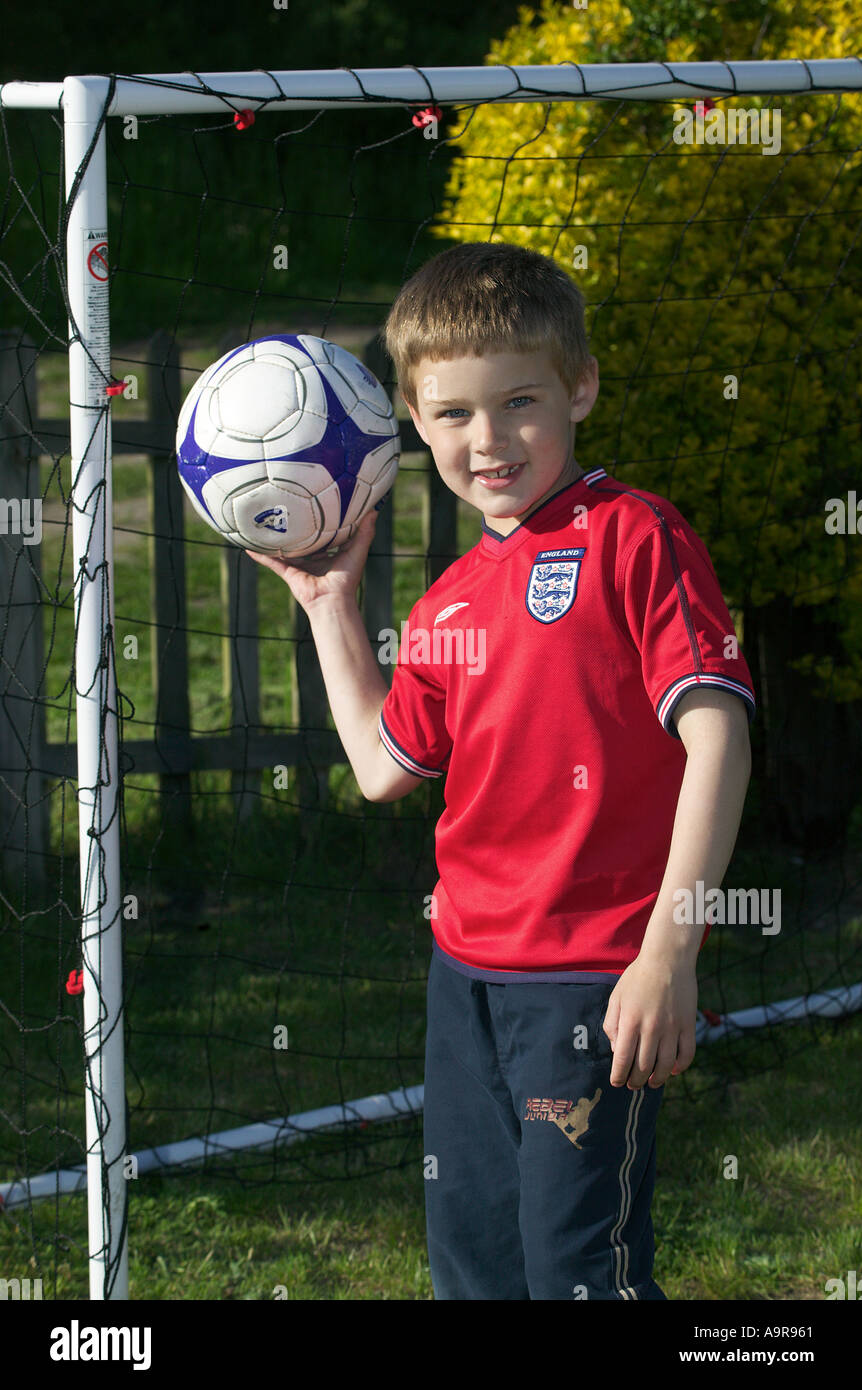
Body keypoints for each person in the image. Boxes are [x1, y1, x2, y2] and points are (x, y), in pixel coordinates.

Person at [247, 241, 755, 1300]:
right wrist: (330, 605)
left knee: (578, 1268)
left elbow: (721, 740)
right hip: (464, 979)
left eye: (519, 402)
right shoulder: (452, 600)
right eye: (453, 414)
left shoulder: (636, 539)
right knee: (476, 1264)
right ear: (415, 422)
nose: (488, 440)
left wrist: (671, 951)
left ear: (581, 385)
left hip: (596, 978)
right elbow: (386, 766)